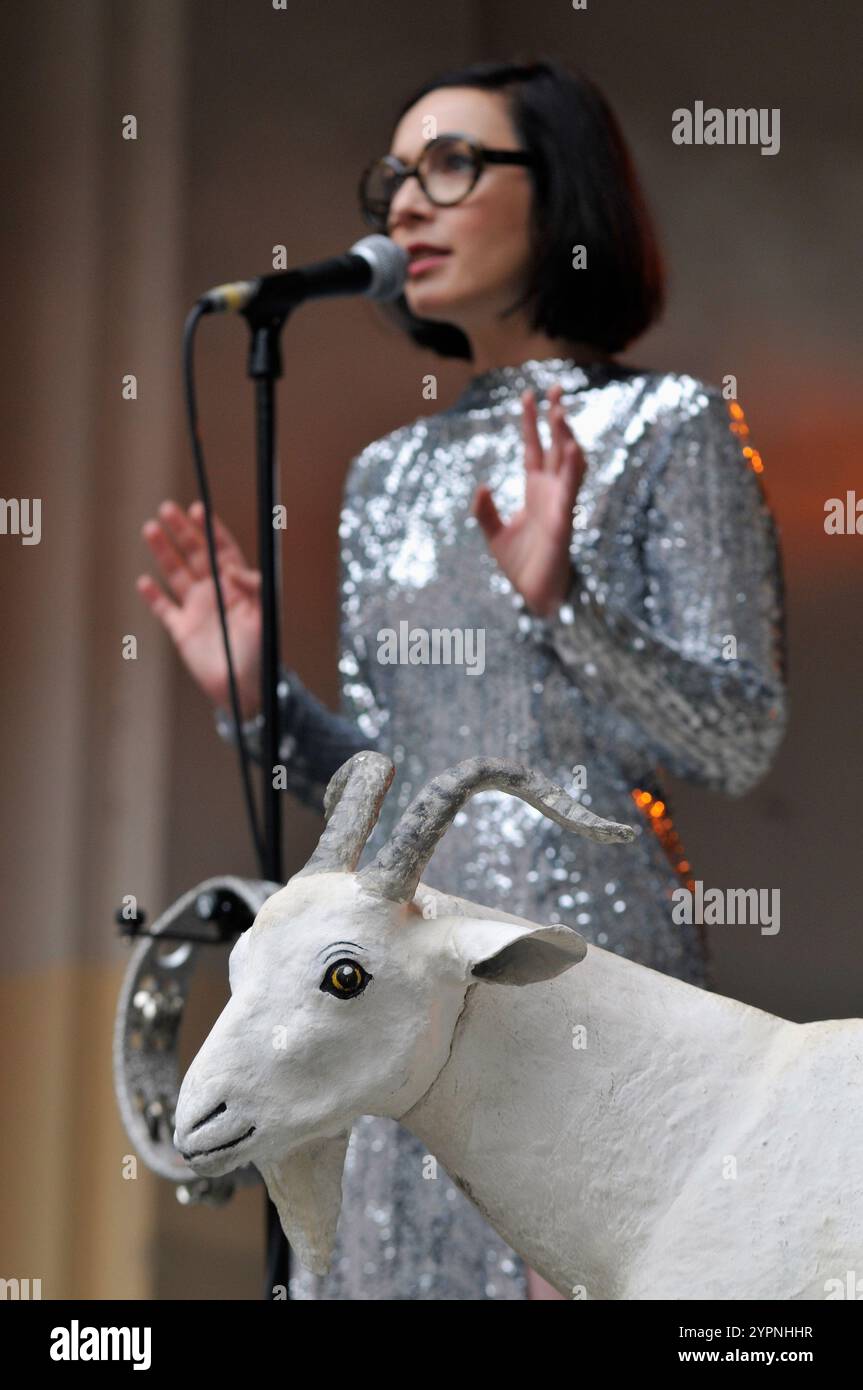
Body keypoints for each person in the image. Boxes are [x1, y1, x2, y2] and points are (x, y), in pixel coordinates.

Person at [137, 60, 788, 1300]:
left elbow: (734, 742)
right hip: (387, 995)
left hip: (577, 972)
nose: (404, 208)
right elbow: (386, 788)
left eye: (450, 166)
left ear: (564, 193)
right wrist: (255, 696)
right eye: (392, 178)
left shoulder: (668, 427)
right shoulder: (388, 472)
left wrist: (567, 609)